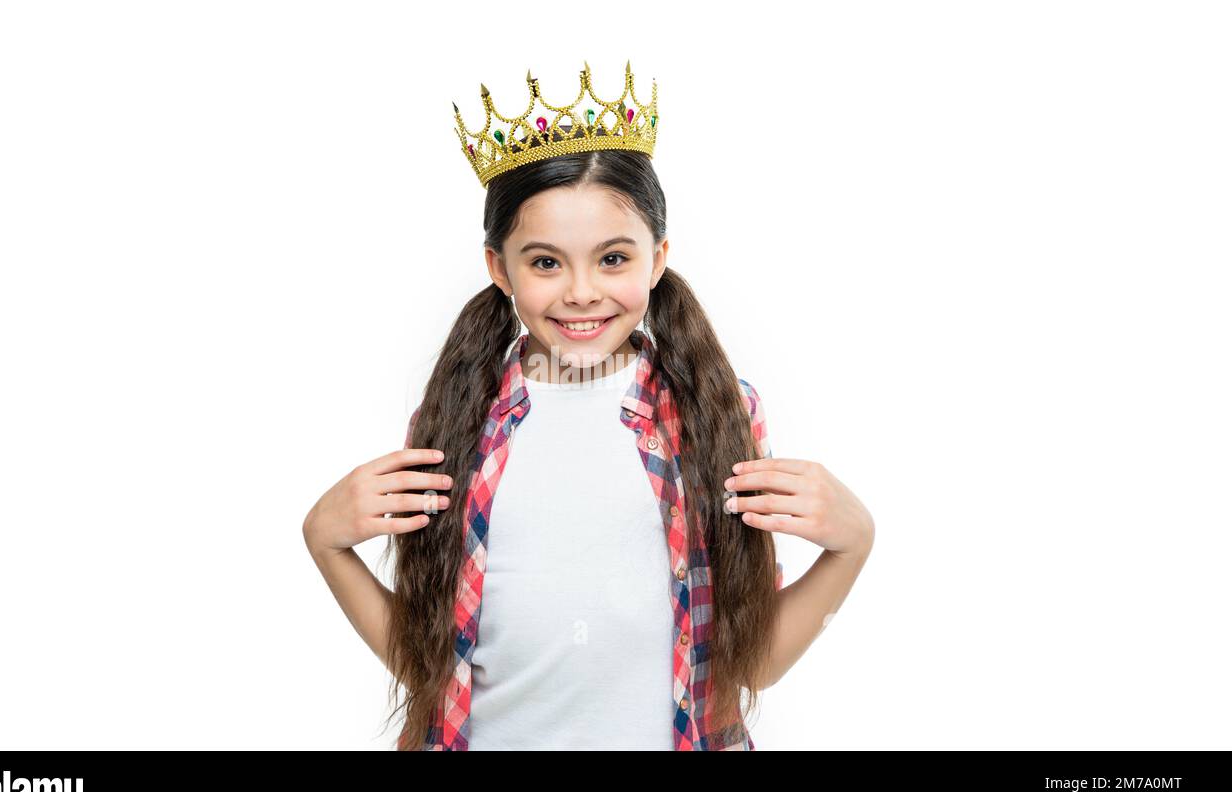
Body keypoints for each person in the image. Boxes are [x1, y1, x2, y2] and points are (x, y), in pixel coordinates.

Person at [301, 61, 875, 750]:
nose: (580, 292)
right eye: (545, 262)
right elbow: (434, 669)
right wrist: (326, 542)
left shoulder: (719, 413)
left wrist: (853, 541)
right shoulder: (455, 419)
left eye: (612, 259)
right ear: (499, 267)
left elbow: (748, 665)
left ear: (656, 258)